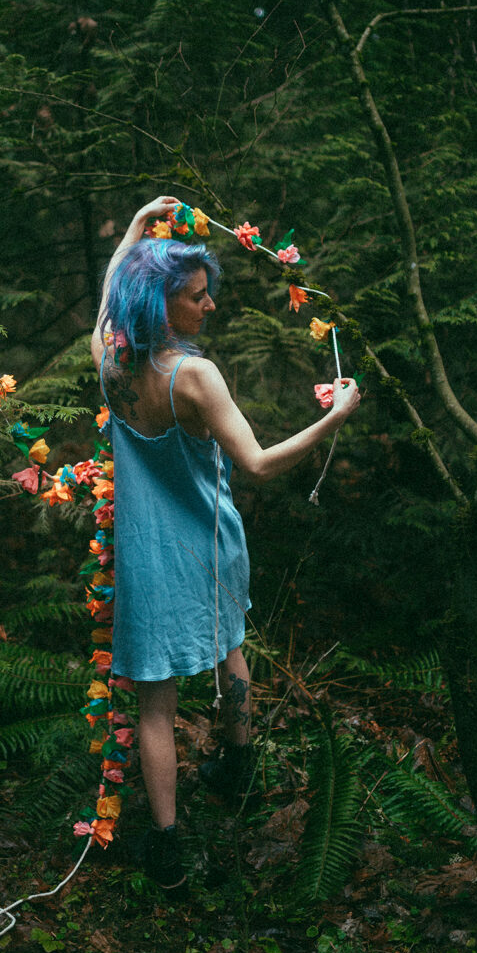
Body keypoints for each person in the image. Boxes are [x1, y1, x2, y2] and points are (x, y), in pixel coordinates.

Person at [90, 195, 361, 890]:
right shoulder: (195, 377)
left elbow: (110, 288)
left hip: (145, 556)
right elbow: (261, 464)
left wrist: (133, 225)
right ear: (160, 303)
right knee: (228, 643)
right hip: (208, 541)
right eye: (197, 297)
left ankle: (169, 846)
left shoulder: (111, 360)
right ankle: (238, 768)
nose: (209, 307)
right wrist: (336, 417)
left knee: (156, 702)